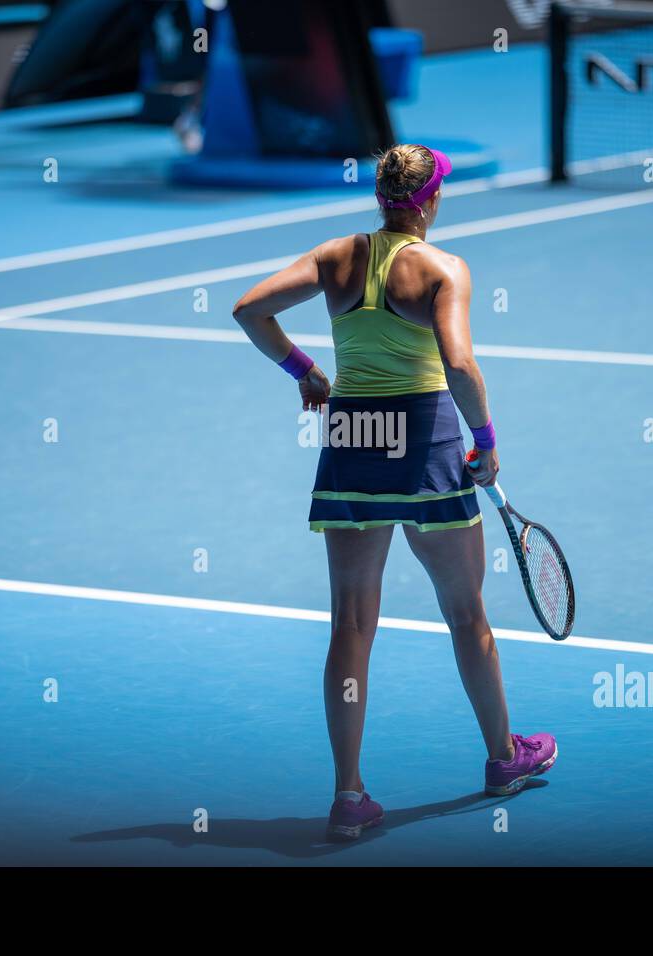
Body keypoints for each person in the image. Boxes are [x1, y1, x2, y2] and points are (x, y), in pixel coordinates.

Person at [232, 144, 557, 842]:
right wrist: (488, 441)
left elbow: (248, 310)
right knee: (467, 613)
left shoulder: (335, 258)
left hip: (353, 441)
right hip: (429, 448)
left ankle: (348, 796)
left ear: (382, 198)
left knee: (350, 625)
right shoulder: (443, 269)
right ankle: (504, 759)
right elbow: (460, 364)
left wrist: (306, 372)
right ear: (432, 200)